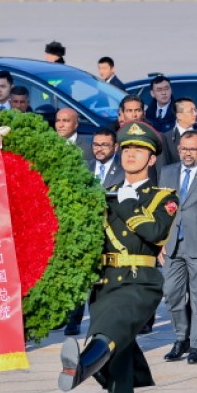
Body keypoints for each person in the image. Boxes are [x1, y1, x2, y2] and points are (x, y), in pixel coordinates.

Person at [58, 121, 178, 393]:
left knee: (109, 333)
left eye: (138, 150)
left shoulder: (163, 196)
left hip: (139, 284)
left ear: (152, 157)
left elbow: (155, 232)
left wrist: (120, 201)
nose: (130, 154)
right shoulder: (103, 191)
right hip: (105, 285)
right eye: (126, 149)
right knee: (118, 378)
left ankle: (78, 368)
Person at [160, 130, 197, 364]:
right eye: (184, 149)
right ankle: (180, 338)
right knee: (171, 293)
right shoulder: (167, 172)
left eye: (193, 149)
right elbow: (159, 210)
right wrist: (159, 242)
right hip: (172, 244)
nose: (187, 153)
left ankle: (196, 345)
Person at [65, 126, 125, 336]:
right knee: (80, 278)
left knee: (105, 281)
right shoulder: (82, 168)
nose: (99, 149)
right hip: (84, 233)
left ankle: (102, 320)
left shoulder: (123, 171)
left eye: (105, 145)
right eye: (96, 145)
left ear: (115, 147)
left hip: (111, 234)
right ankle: (73, 320)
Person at [161, 97, 197, 166]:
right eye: (190, 111)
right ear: (179, 115)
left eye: (195, 110)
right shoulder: (167, 138)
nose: (195, 114)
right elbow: (163, 166)